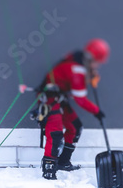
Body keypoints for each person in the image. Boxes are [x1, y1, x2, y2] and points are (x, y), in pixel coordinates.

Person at [22, 38, 110, 179]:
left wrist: (90, 77)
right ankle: (49, 169)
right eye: (97, 62)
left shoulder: (78, 63)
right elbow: (80, 99)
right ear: (91, 58)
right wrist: (96, 111)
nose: (98, 65)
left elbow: (71, 81)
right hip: (49, 99)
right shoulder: (77, 69)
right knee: (55, 134)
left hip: (60, 97)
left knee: (75, 127)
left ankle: (63, 162)